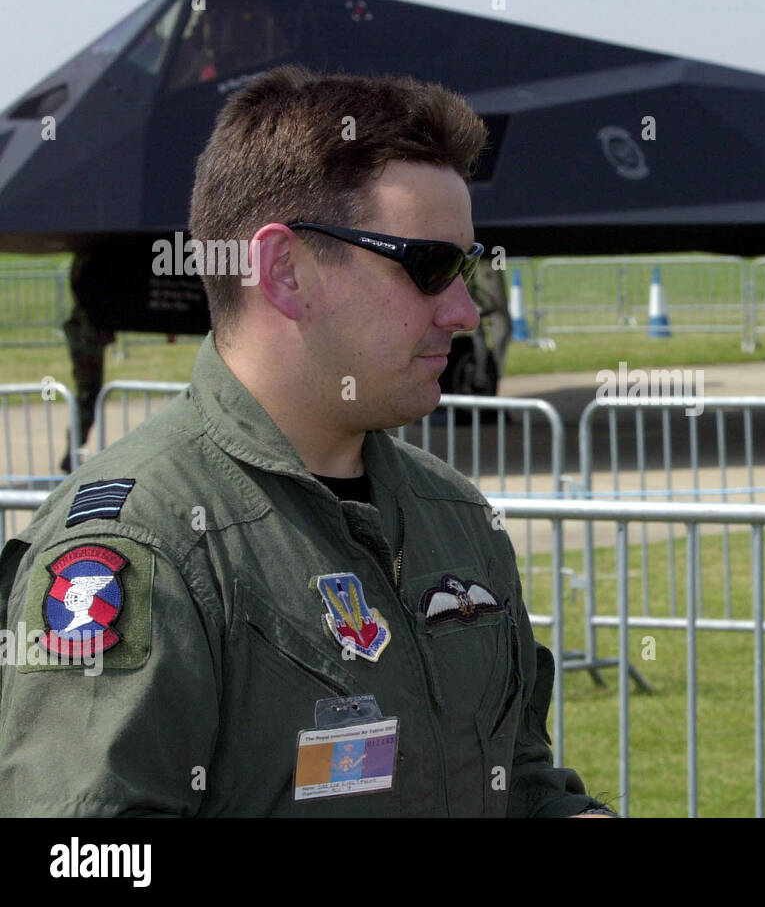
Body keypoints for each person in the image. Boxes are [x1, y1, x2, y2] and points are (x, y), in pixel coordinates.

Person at [0, 65, 612, 817]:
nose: (463, 309)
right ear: (285, 271)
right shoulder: (142, 549)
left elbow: (516, 775)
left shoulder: (451, 515)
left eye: (469, 266)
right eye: (429, 267)